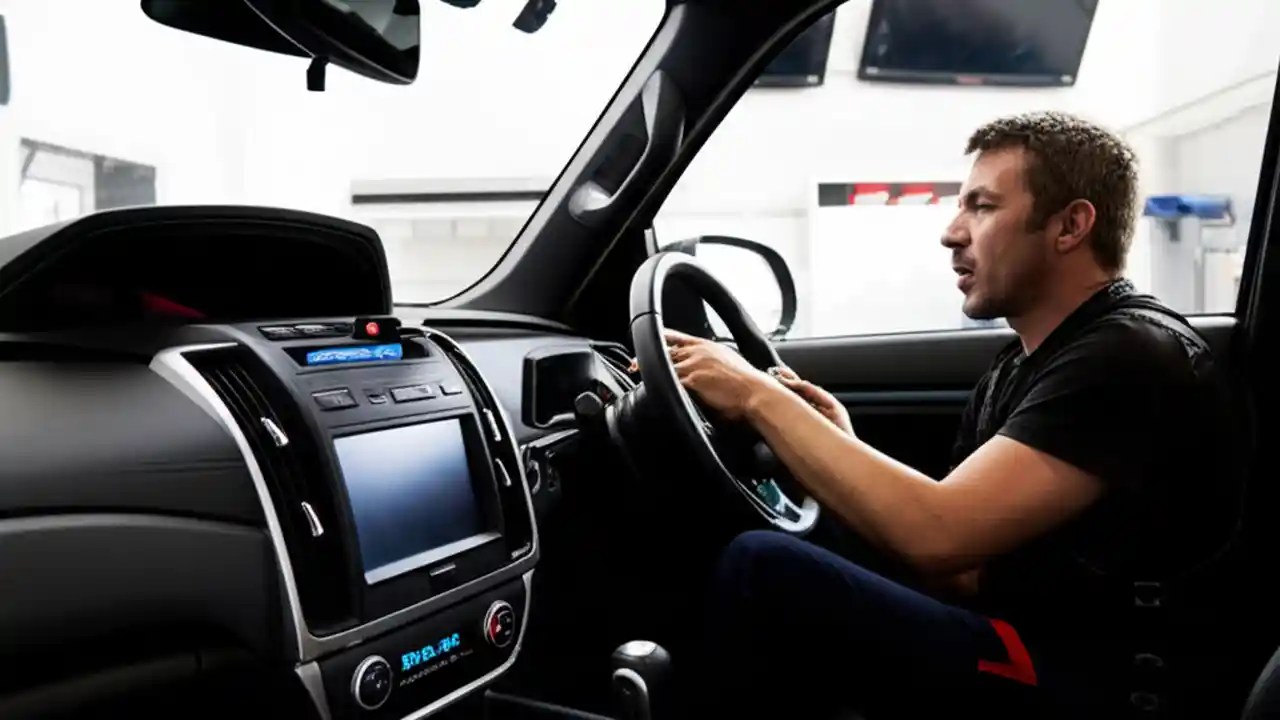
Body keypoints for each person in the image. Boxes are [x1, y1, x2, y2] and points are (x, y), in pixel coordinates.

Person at [667, 111, 1244, 718]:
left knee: (765, 569)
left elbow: (938, 537)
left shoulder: (1128, 356)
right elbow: (962, 570)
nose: (952, 232)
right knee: (810, 540)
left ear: (1070, 225)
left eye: (983, 207)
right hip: (1032, 633)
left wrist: (759, 398)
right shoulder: (1019, 365)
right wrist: (836, 446)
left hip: (1100, 682)